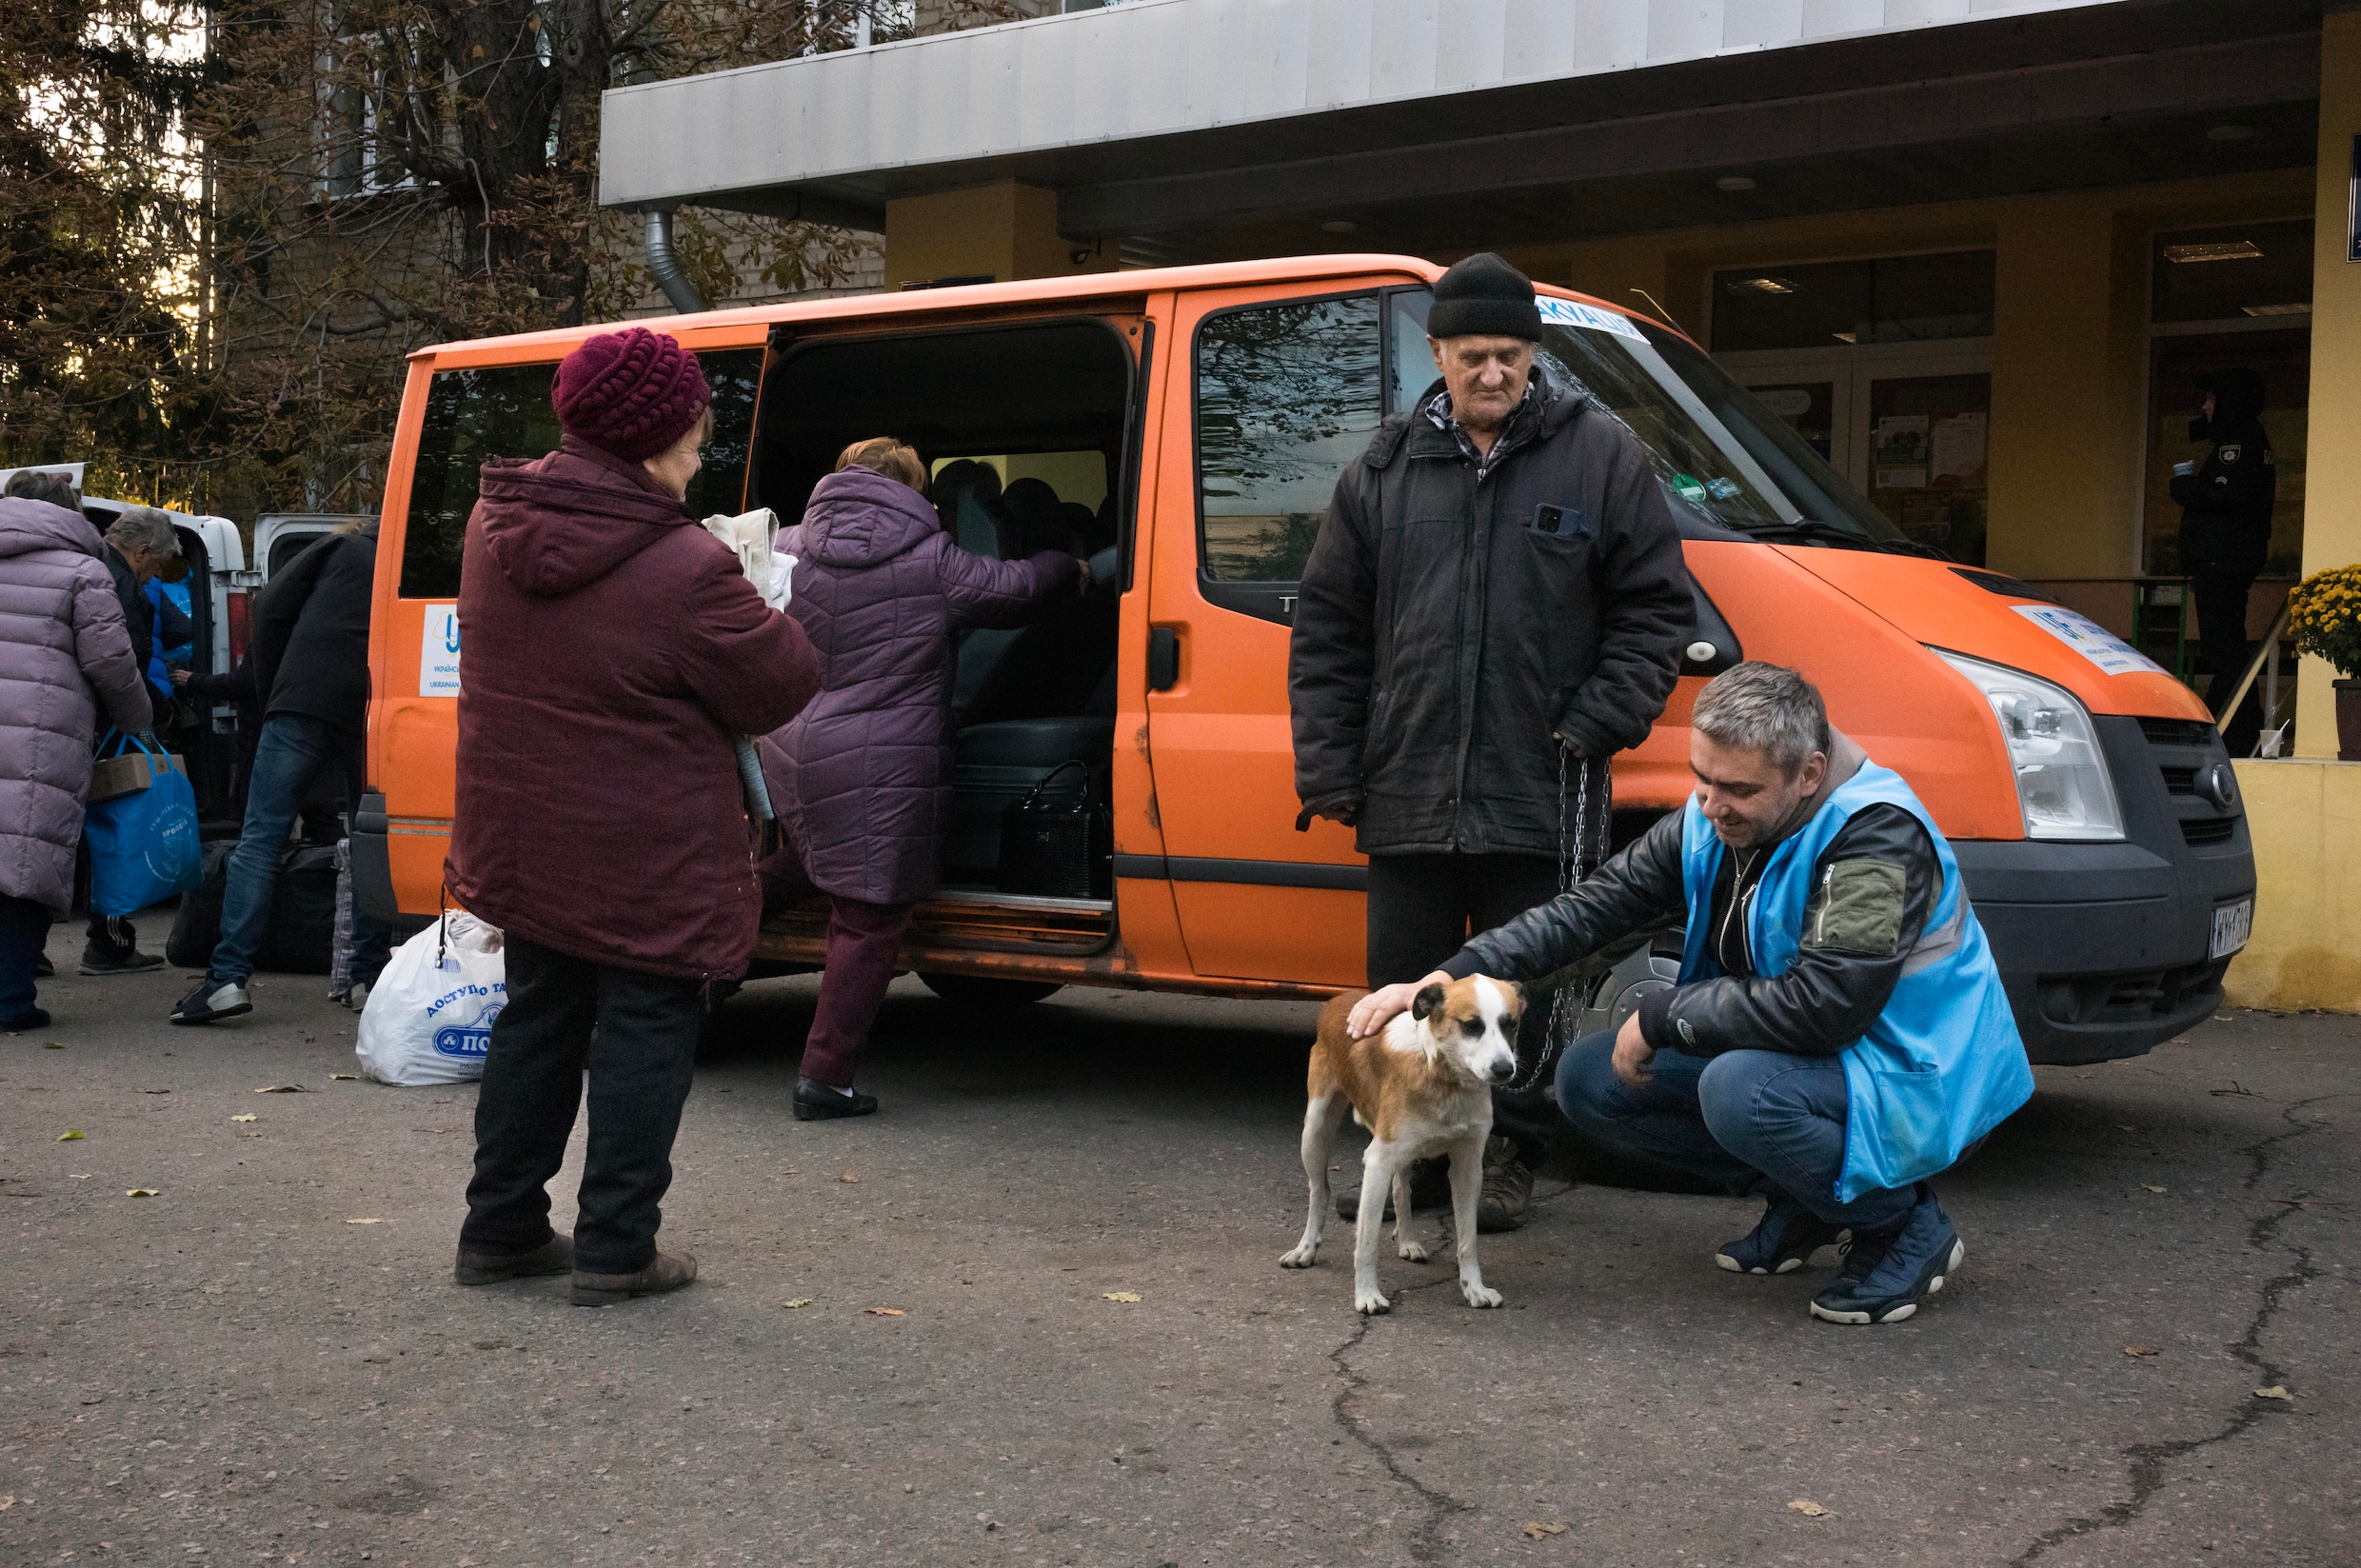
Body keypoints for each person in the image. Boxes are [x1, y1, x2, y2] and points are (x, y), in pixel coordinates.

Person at [1348, 663, 2034, 1326]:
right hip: (1822, 1058)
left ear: (1809, 774)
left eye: (1736, 788)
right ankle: (1815, 1200)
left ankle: (1903, 1224)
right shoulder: (1716, 817)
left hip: (1917, 1073)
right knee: (1590, 1080)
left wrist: (1665, 1014)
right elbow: (1592, 912)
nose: (1709, 805)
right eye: (1701, 778)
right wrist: (1454, 973)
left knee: (1741, 1093)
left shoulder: (1876, 838)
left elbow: (1828, 1005)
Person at [1288, 250, 1695, 1230]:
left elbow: (1655, 613)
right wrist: (1332, 763)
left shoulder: (1600, 457)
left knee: (1527, 993)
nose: (1492, 372)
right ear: (1436, 354)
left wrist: (1596, 722)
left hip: (1542, 782)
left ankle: (1508, 1151)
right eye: (1472, 354)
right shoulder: (1382, 469)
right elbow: (1329, 629)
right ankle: (1412, 1158)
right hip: (1409, 782)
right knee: (1406, 993)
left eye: (1510, 354)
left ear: (1532, 355)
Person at [445, 327, 822, 1306]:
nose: (699, 457)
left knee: (537, 1022)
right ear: (652, 439)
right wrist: (761, 598)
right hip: (646, 848)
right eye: (695, 438)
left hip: (523, 836)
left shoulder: (493, 526)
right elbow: (779, 683)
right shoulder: (686, 565)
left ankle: (499, 1231)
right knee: (645, 1032)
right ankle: (616, 1248)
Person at [758, 437, 1087, 1121]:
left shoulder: (785, 545)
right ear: (912, 491)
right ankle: (825, 1079)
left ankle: (684, 987)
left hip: (790, 747)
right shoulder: (931, 559)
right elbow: (1018, 589)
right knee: (869, 915)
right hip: (878, 758)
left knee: (804, 866)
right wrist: (1071, 563)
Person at [169, 519, 394, 1022]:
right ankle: (366, 978)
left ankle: (227, 979)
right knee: (368, 841)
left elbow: (269, 606)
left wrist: (270, 691)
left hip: (303, 697)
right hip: (375, 708)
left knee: (261, 841)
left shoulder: (340, 548)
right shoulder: (412, 566)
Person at [0, 472, 153, 1027]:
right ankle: (9, 1000)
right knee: (24, 865)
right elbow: (111, 663)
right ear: (72, 514)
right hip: (41, 742)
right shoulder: (84, 571)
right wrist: (138, 720)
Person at [81, 506, 184, 976]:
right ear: (141, 552)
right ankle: (110, 942)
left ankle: (30, 947)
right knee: (118, 828)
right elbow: (127, 664)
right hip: (112, 726)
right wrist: (156, 710)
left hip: (79, 721)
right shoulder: (121, 586)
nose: (155, 575)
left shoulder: (87, 567)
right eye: (156, 564)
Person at [2170, 367, 2273, 754]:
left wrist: (2184, 487)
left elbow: (2222, 496)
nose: (2205, 406)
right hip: (2223, 562)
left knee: (2224, 653)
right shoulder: (2245, 439)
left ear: (2230, 401)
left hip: (2223, 563)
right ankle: (2236, 731)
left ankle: (2226, 730)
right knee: (2226, 650)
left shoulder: (2240, 444)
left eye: (2212, 398)